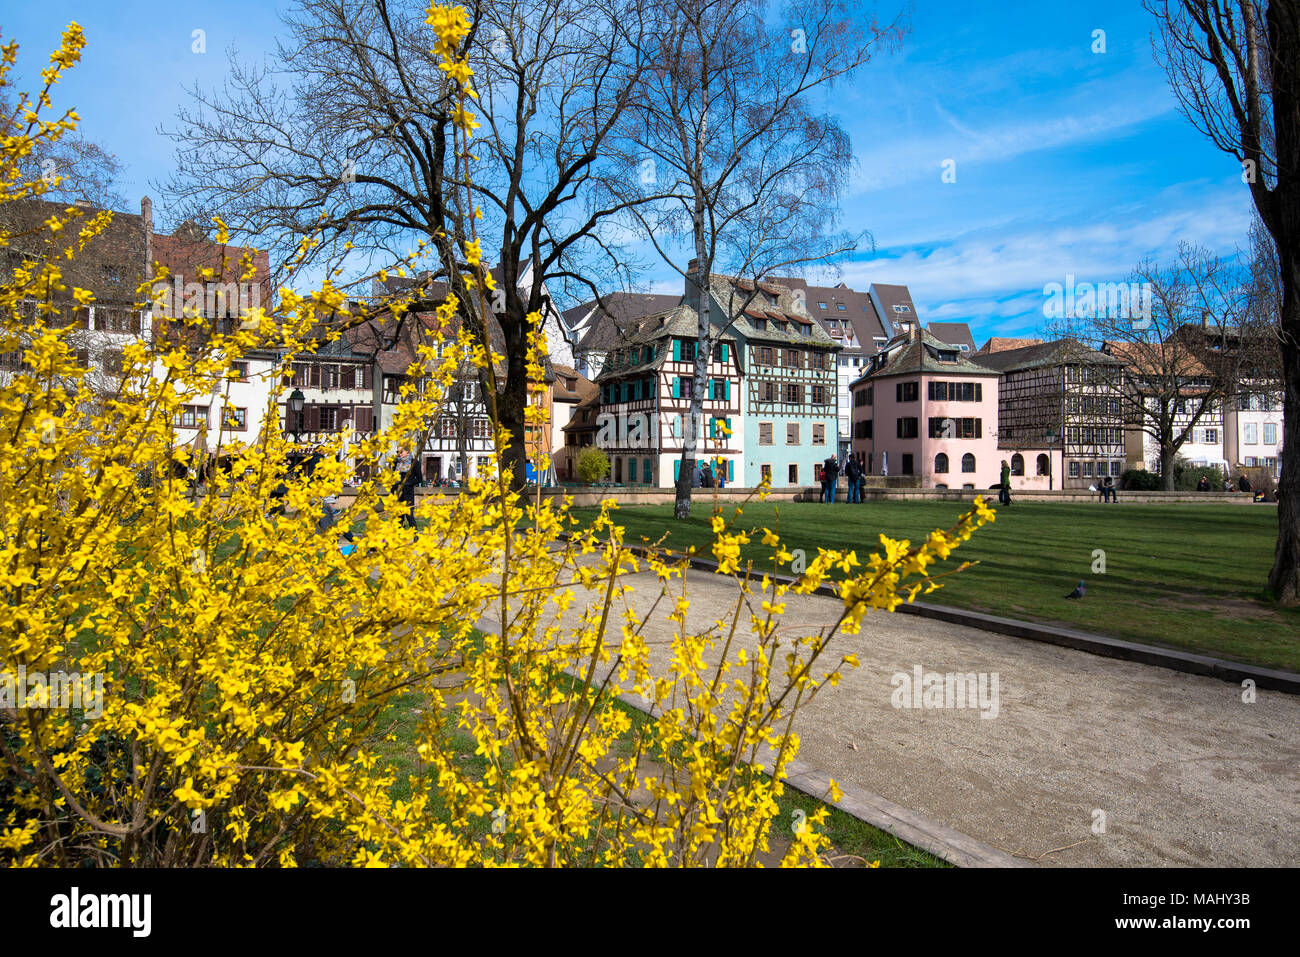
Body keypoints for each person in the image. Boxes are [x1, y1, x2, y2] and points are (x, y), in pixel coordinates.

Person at [397, 456, 420, 528]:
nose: (399, 454)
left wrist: (408, 483)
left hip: (408, 493)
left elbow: (419, 478)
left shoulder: (414, 462)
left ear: (407, 452)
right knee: (399, 517)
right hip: (398, 493)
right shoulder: (396, 462)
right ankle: (400, 536)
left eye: (401, 452)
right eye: (397, 451)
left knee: (409, 516)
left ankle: (415, 535)